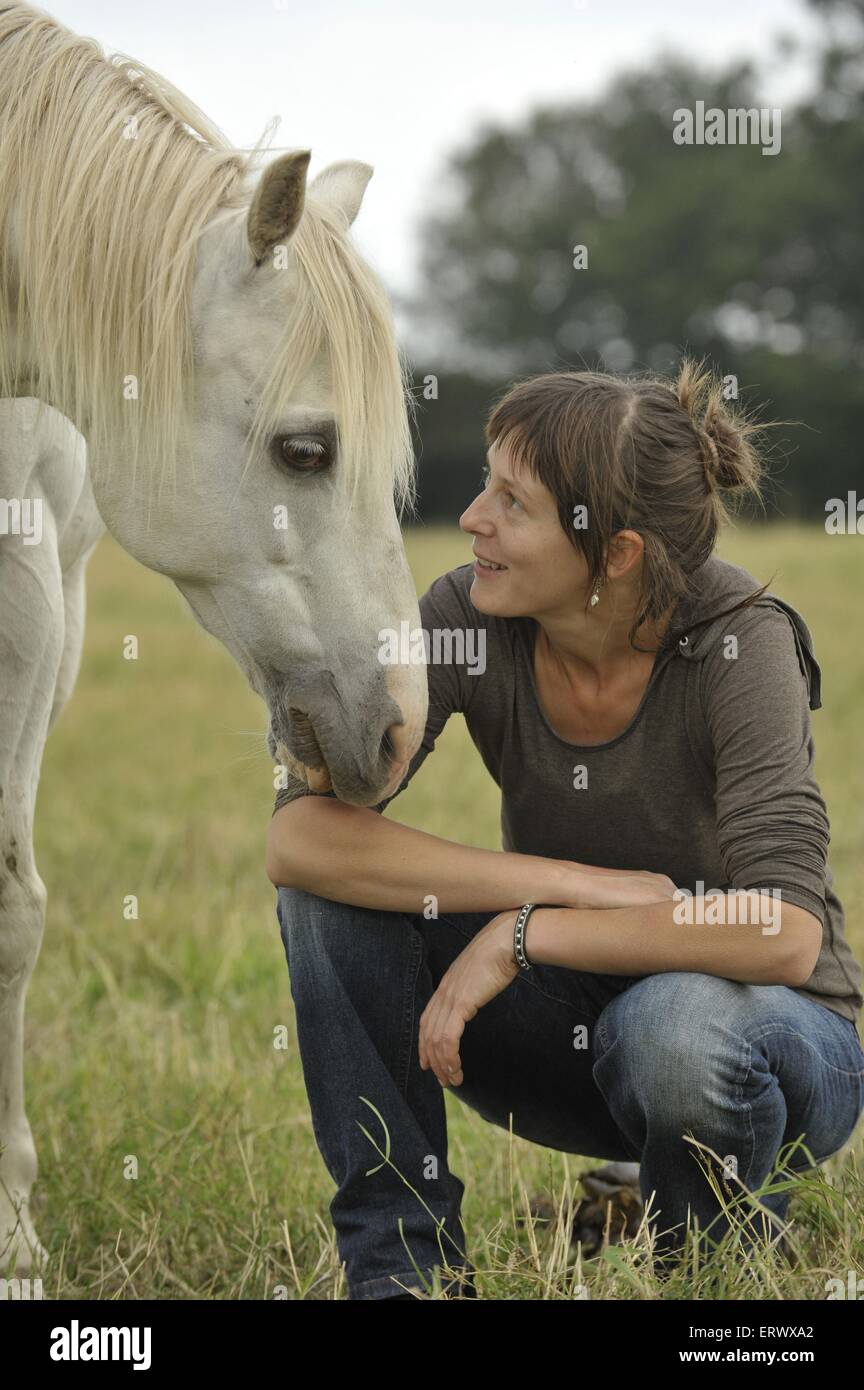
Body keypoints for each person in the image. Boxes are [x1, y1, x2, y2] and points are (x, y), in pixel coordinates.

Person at [266, 360, 864, 1300]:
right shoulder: (470, 613)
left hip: (769, 1046)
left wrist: (525, 934)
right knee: (328, 904)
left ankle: (711, 1260)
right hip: (571, 1033)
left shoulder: (740, 639)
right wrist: (574, 883)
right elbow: (301, 843)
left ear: (617, 553)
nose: (473, 519)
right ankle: (403, 1275)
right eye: (486, 488)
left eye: (513, 502)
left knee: (674, 1027)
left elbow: (783, 934)